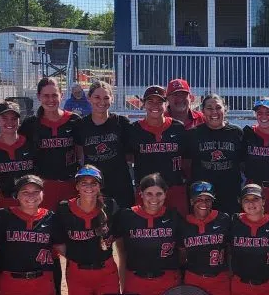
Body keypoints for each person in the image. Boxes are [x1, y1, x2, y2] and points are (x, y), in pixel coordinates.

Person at [21, 77, 82, 295]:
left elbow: (80, 152)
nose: (50, 99)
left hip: (70, 188)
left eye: (54, 95)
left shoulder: (74, 121)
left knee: (75, 245)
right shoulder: (31, 124)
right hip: (44, 190)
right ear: (38, 97)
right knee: (49, 249)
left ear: (61, 94)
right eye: (45, 95)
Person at [53, 165, 120, 295]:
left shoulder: (110, 205)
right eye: (84, 182)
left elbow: (119, 234)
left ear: (100, 186)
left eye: (93, 183)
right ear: (77, 186)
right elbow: (58, 242)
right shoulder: (64, 208)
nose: (89, 187)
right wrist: (77, 257)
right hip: (78, 274)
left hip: (106, 272)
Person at [0, 174, 59, 295]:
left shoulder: (51, 218)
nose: (30, 196)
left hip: (40, 283)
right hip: (10, 284)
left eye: (35, 191)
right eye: (25, 192)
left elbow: (63, 246)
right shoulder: (3, 216)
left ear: (42, 194)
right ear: (16, 195)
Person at [112, 172, 182, 295]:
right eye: (149, 193)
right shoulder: (127, 216)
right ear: (141, 194)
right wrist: (124, 287)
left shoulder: (174, 216)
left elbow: (182, 254)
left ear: (166, 194)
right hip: (136, 281)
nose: (154, 199)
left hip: (166, 280)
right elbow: (122, 254)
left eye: (159, 194)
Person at [179, 181, 233, 295]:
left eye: (207, 199)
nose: (203, 203)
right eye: (199, 199)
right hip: (194, 278)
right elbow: (181, 255)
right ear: (191, 201)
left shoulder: (223, 219)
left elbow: (231, 249)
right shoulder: (183, 223)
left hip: (219, 277)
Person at [126, 86, 190, 215]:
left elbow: (187, 160)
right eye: (150, 102)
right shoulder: (134, 130)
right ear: (143, 104)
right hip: (146, 192)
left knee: (178, 230)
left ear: (166, 104)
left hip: (174, 189)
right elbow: (128, 158)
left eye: (159, 102)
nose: (155, 105)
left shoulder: (178, 128)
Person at [77, 80, 134, 209]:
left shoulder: (122, 123)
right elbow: (79, 154)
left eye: (106, 98)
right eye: (97, 97)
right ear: (89, 98)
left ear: (112, 99)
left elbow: (130, 155)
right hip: (93, 186)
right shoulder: (81, 125)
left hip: (120, 186)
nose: (102, 102)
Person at [184, 94, 245, 213]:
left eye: (218, 107)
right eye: (209, 108)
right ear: (202, 111)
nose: (214, 112)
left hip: (230, 193)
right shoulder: (193, 134)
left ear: (225, 109)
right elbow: (186, 164)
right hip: (203, 194)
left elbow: (242, 163)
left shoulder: (236, 132)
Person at [0, 101, 35, 210]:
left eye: (14, 118)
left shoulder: (31, 145)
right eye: (4, 118)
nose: (10, 122)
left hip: (28, 202)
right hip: (0, 205)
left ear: (19, 121)